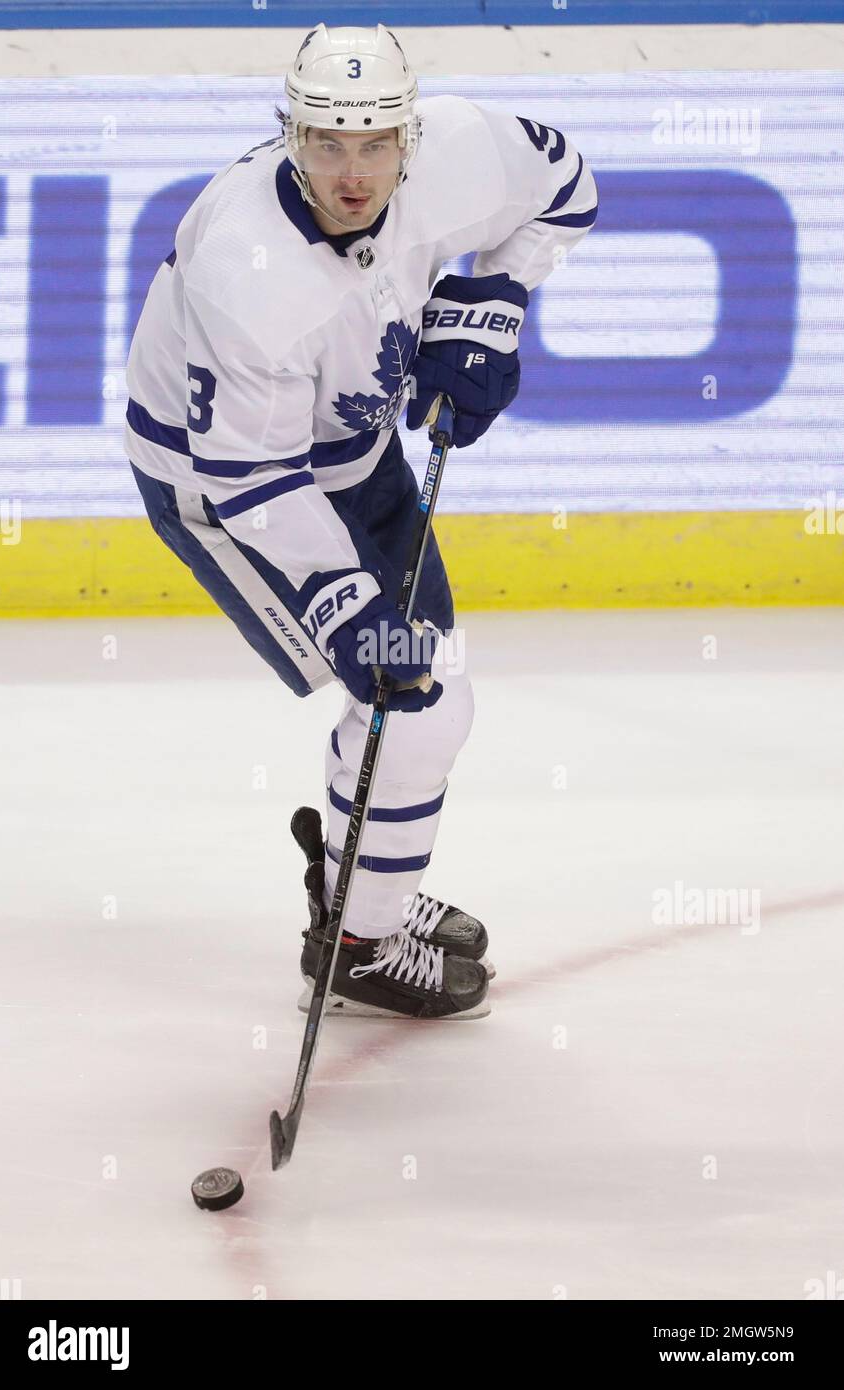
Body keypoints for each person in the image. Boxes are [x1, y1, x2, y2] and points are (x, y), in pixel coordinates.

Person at [125, 22, 598, 1021]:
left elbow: (565, 185)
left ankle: (359, 892)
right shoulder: (249, 273)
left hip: (356, 452)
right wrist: (348, 611)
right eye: (327, 143)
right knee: (412, 701)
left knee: (433, 699)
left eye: (375, 143)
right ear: (288, 134)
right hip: (226, 493)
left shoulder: (457, 153)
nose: (352, 173)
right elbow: (251, 479)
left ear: (407, 136)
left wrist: (493, 298)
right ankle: (356, 939)